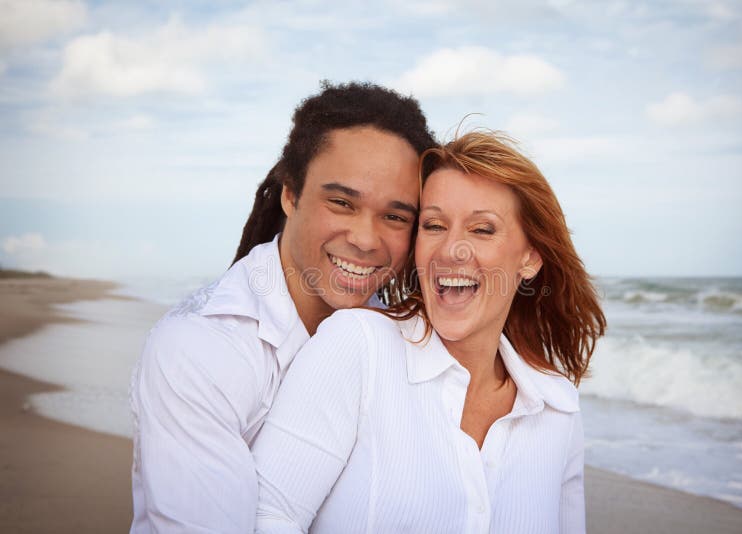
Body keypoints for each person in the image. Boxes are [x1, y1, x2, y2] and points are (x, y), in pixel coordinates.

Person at [252, 131, 606, 533]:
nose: (451, 249)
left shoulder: (557, 406)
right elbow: (270, 515)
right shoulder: (359, 346)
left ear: (530, 257)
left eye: (482, 230)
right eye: (434, 225)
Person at [129, 81, 436, 533]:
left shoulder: (403, 339)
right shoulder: (199, 350)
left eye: (394, 216)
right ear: (291, 196)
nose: (365, 239)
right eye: (342, 202)